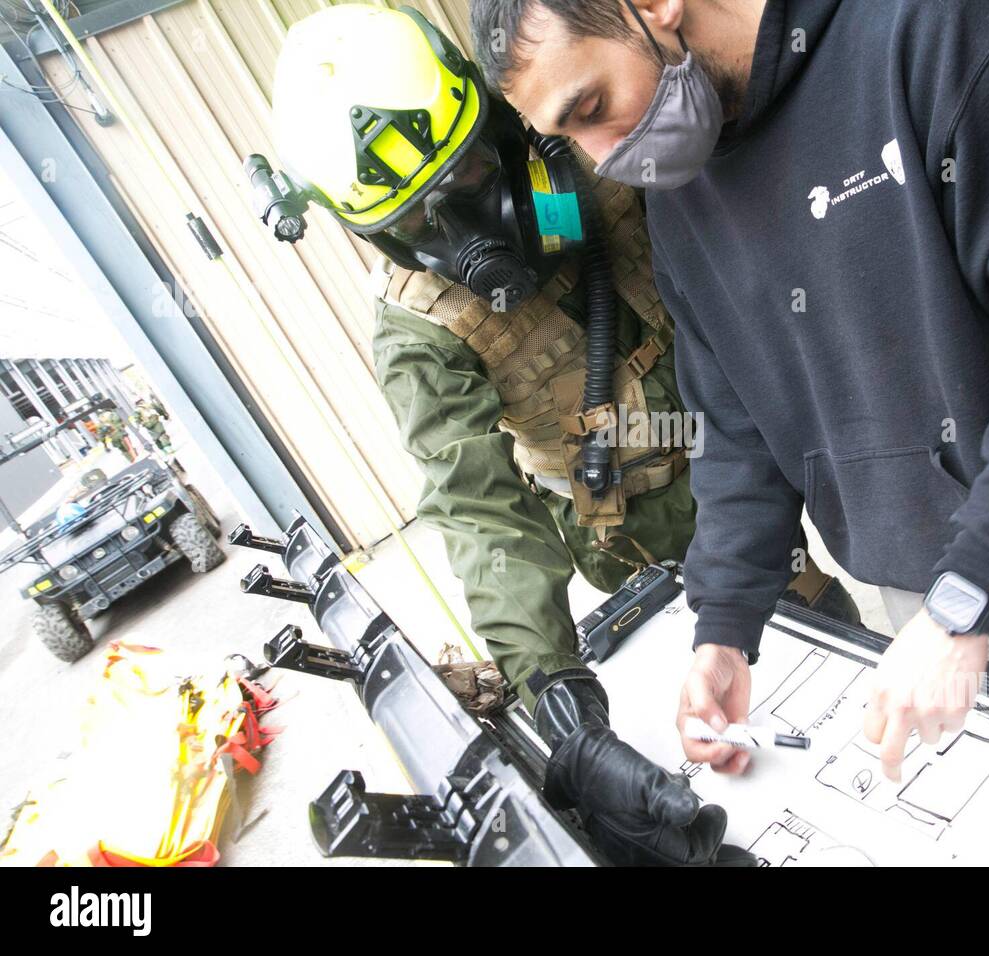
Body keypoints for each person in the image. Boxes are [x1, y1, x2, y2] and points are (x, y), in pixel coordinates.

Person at [473, 0, 989, 780]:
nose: (601, 158)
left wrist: (967, 599)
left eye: (592, 108)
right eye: (569, 139)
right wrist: (724, 626)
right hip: (912, 601)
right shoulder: (677, 186)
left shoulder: (928, 38)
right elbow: (736, 428)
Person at [262, 4, 856, 863]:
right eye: (417, 222)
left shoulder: (596, 134)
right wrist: (560, 698)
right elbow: (480, 512)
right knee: (726, 717)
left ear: (498, 121)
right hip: (629, 532)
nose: (460, 234)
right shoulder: (417, 329)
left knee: (832, 646)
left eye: (467, 178)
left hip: (755, 445)